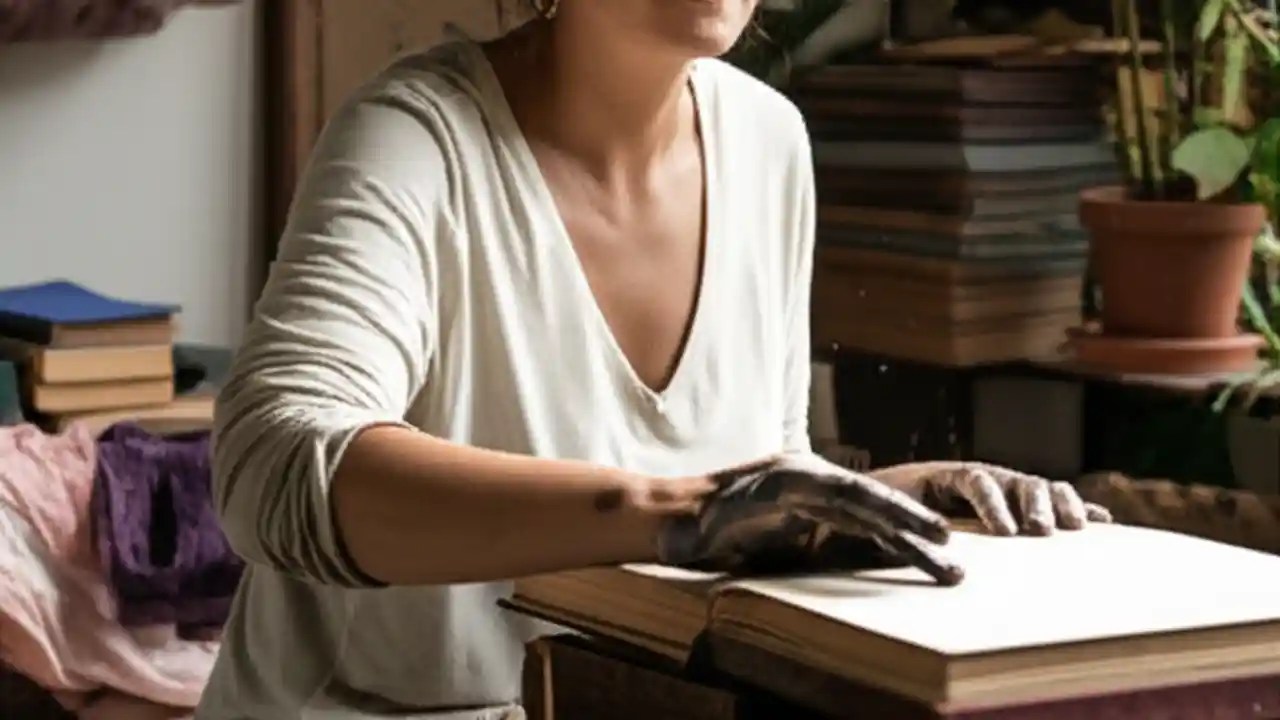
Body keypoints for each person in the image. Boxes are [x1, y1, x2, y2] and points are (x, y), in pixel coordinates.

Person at [196, 1, 1110, 718]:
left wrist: (897, 504)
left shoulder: (768, 142)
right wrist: (677, 515)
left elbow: (747, 483)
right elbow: (272, 466)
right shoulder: (419, 137)